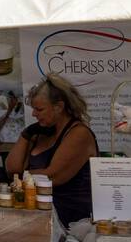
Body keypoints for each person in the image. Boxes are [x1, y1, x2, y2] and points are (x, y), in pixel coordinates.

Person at [5, 74, 97, 227]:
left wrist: (19, 180)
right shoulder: (40, 133)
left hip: (70, 222)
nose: (34, 114)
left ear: (59, 107)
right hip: (40, 218)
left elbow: (53, 176)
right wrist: (26, 134)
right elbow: (13, 169)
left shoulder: (79, 134)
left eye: (39, 109)